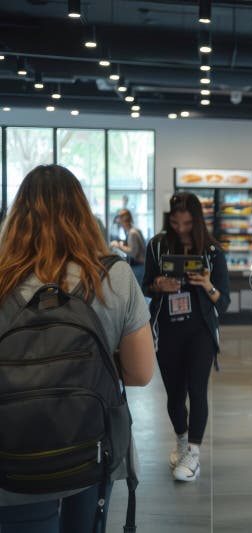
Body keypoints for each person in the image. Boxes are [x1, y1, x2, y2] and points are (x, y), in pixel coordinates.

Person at [0, 165, 155, 532]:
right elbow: (140, 372)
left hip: (11, 453)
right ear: (83, 216)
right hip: (90, 445)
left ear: (17, 218)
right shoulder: (112, 276)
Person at [142, 192, 230, 482]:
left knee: (197, 390)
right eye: (175, 223)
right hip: (167, 330)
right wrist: (158, 284)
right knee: (175, 394)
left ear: (197, 221)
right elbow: (146, 286)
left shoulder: (213, 252)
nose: (180, 228)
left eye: (187, 223)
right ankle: (181, 442)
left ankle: (193, 452)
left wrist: (206, 283)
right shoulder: (156, 246)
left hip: (200, 332)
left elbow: (223, 301)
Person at [111, 209, 146, 285]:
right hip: (141, 266)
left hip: (138, 267)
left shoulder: (132, 233)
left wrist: (118, 245)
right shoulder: (135, 230)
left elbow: (132, 253)